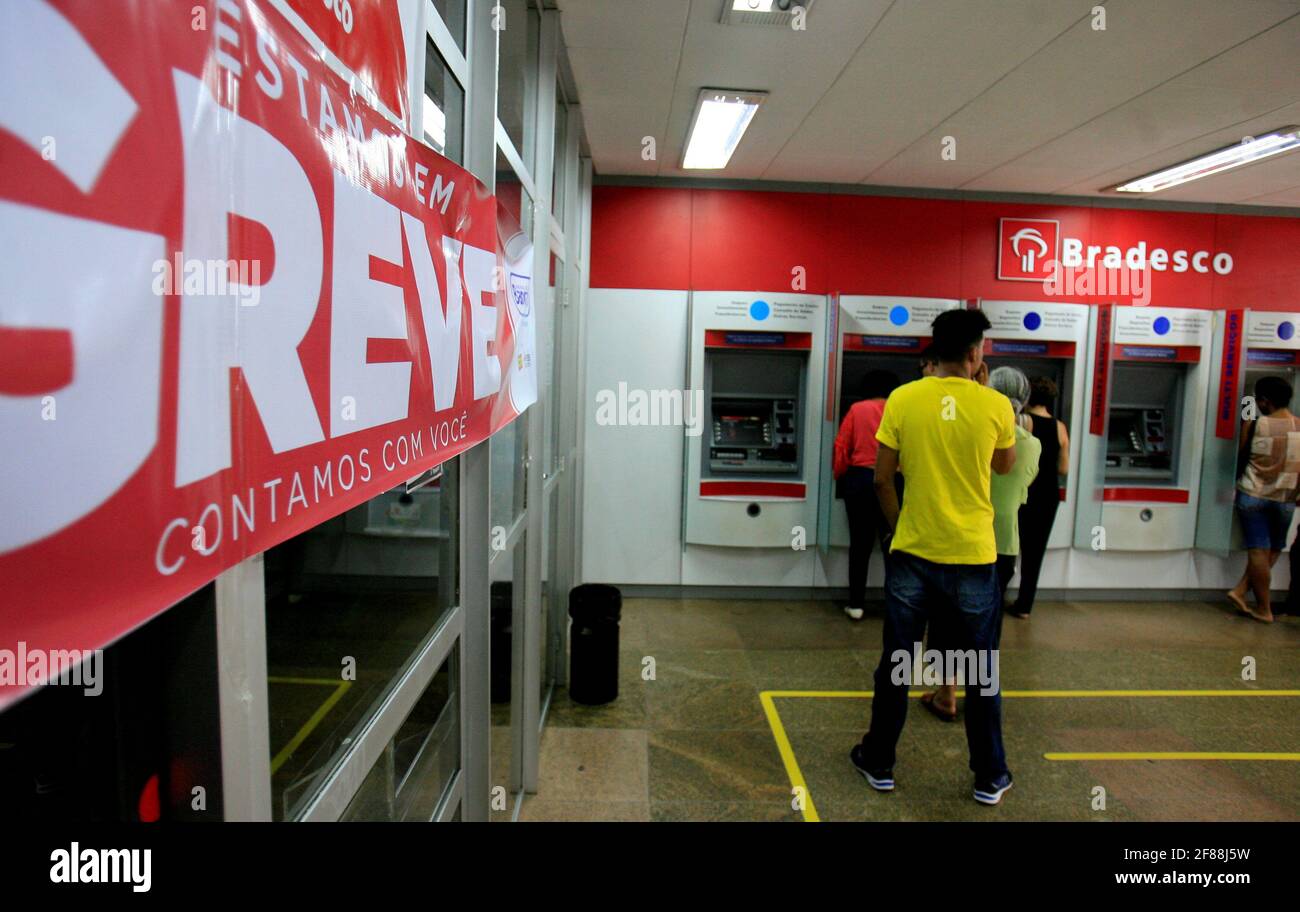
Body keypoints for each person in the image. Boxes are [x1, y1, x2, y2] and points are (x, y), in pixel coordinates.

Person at [849, 308, 1018, 806]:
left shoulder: (903, 398)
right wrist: (981, 401)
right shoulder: (995, 406)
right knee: (980, 668)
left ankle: (879, 762)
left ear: (934, 350)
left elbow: (882, 478)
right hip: (973, 554)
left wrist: (902, 528)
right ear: (974, 353)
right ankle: (990, 776)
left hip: (914, 553)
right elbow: (1003, 466)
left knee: (899, 662)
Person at [920, 366, 1039, 722]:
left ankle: (946, 696)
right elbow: (1021, 491)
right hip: (1004, 545)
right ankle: (982, 698)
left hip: (964, 539)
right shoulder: (1032, 445)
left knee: (945, 618)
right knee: (987, 624)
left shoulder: (970, 431)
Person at [1227, 376, 1300, 624]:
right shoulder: (1299, 426)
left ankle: (1263, 608)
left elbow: (1239, 453)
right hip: (1286, 498)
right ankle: (1241, 592)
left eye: (1258, 400)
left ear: (1265, 402)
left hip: (1253, 495)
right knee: (1274, 548)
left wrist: (1245, 411)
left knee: (1258, 550)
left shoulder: (1257, 424)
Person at [833, 370, 900, 620]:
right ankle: (896, 603)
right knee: (893, 544)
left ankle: (856, 604)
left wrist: (839, 476)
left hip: (860, 480)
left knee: (860, 544)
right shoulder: (899, 408)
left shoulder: (857, 409)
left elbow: (842, 447)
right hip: (894, 480)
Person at [1009, 376, 1069, 618]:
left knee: (1008, 545)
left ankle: (994, 595)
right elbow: (1063, 468)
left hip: (1021, 490)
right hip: (1048, 494)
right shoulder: (1060, 427)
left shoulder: (1021, 421)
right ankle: (1025, 606)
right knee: (1035, 551)